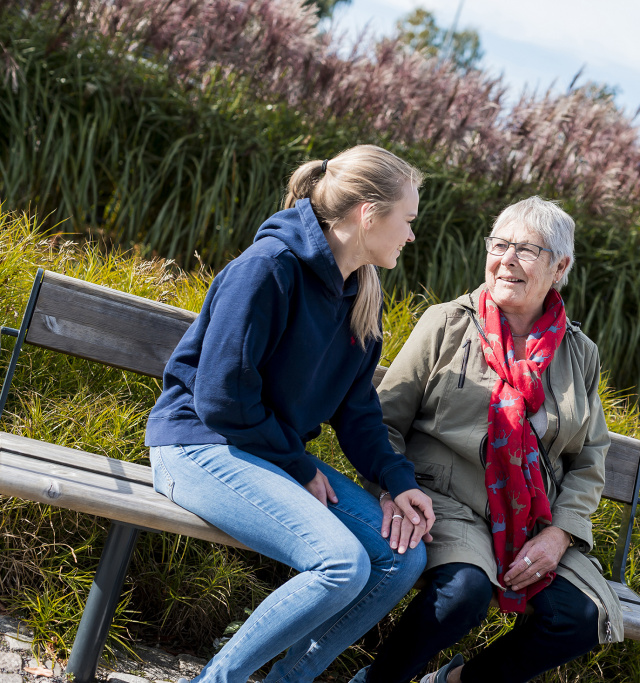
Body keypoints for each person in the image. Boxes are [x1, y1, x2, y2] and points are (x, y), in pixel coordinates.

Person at [144, 144, 435, 683]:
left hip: (267, 456)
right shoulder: (268, 268)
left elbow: (359, 415)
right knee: (342, 564)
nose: (411, 236)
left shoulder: (359, 295)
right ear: (368, 215)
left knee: (403, 558)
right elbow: (221, 397)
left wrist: (397, 483)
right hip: (196, 444)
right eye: (408, 220)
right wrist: (299, 466)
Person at [353, 196, 623, 683]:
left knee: (579, 617)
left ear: (560, 266)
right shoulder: (448, 323)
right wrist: (391, 489)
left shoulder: (579, 353)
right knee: (464, 592)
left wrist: (560, 533)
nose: (506, 260)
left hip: (534, 521)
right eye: (499, 244)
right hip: (446, 500)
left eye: (526, 250)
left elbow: (590, 457)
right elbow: (384, 419)